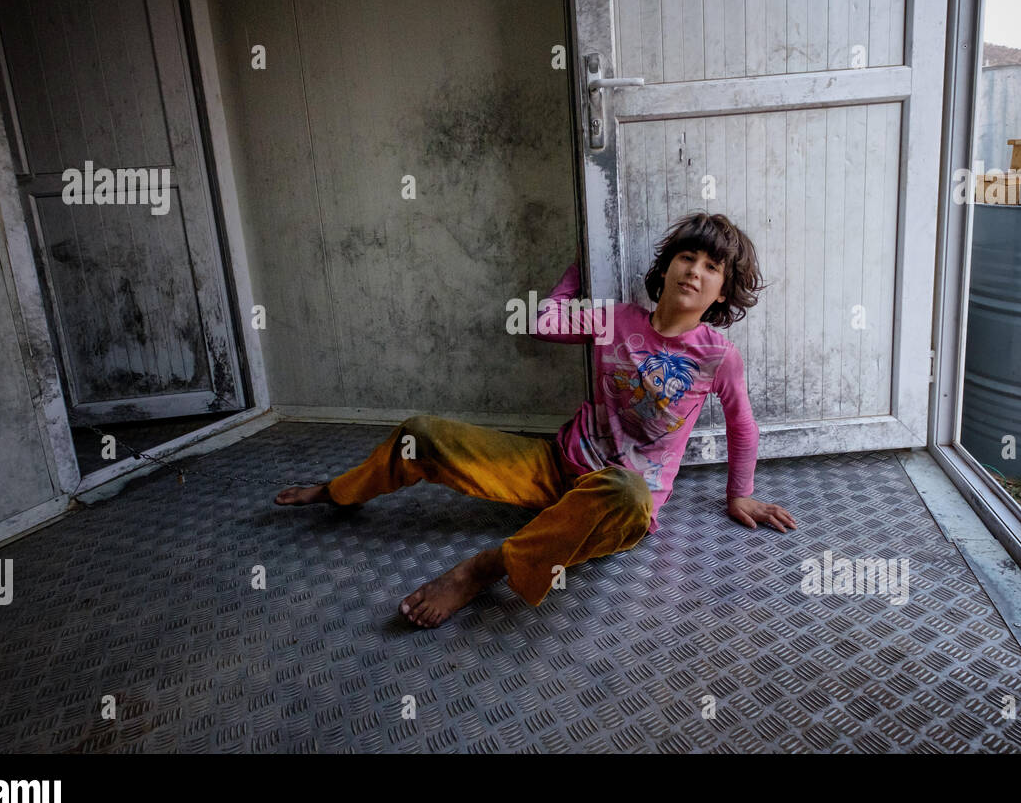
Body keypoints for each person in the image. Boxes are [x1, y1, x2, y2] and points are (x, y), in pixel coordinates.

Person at [274, 212, 798, 628]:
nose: (696, 271)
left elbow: (742, 424)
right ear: (665, 269)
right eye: (689, 257)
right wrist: (578, 262)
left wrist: (739, 493)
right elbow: (543, 322)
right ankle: (342, 491)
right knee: (422, 434)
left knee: (629, 493)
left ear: (723, 293)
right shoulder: (615, 320)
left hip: (616, 498)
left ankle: (486, 568)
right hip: (555, 463)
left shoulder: (718, 356)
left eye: (712, 268)